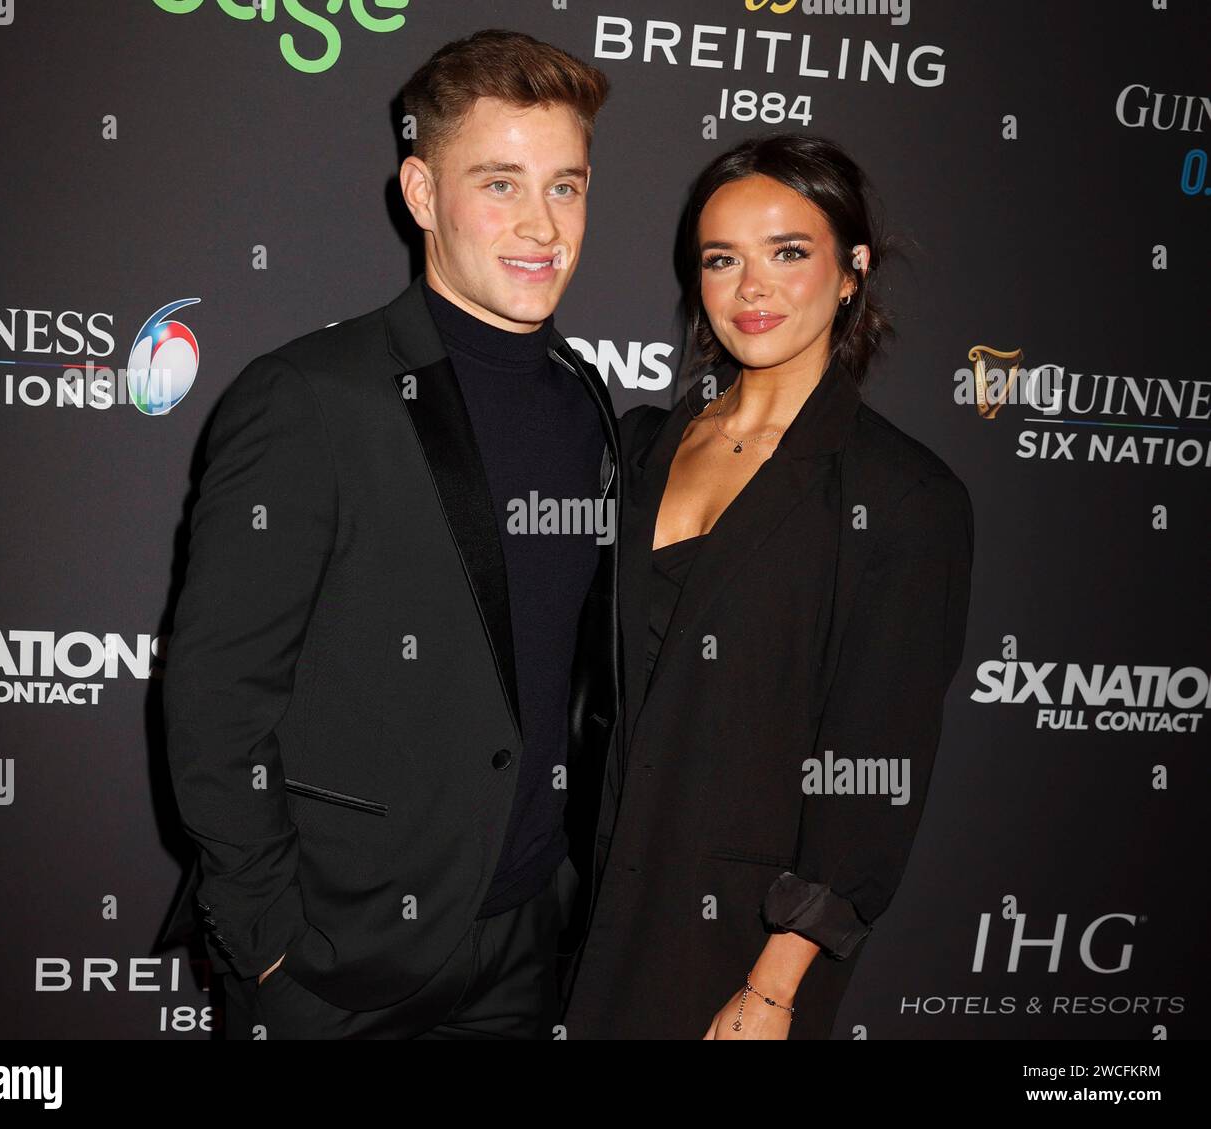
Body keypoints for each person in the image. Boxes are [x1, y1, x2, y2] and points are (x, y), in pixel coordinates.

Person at [158, 29, 619, 1039]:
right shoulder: (309, 398)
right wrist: (269, 940)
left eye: (566, 185)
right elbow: (214, 696)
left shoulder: (590, 405)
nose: (541, 224)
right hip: (336, 956)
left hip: (522, 942)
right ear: (420, 192)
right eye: (499, 183)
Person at [562, 134, 974, 1040]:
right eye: (723, 260)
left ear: (852, 270)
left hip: (731, 949)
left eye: (788, 252)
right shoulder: (635, 449)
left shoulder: (901, 496)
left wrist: (775, 986)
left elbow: (874, 768)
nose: (752, 288)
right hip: (569, 919)